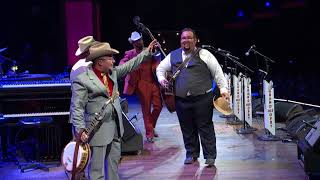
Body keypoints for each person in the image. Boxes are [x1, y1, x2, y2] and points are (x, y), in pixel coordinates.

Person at [70, 39, 158, 180]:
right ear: (100, 62)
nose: (113, 60)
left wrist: (147, 52)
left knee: (113, 166)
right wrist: (80, 129)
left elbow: (131, 65)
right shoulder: (82, 79)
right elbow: (77, 107)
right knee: (97, 170)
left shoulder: (112, 73)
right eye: (110, 58)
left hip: (115, 128)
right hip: (98, 130)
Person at [156, 28, 230, 167]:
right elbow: (160, 68)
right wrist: (161, 79)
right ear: (180, 41)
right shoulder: (173, 55)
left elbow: (217, 72)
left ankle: (210, 156)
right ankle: (191, 154)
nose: (186, 40)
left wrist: (223, 89)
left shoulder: (204, 54)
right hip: (181, 99)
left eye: (189, 38)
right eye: (183, 38)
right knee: (187, 128)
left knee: (205, 127)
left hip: (203, 98)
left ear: (195, 40)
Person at [119, 31, 163, 143]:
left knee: (158, 106)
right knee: (146, 109)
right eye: (136, 41)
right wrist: (121, 68)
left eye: (140, 40)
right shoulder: (130, 53)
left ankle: (151, 127)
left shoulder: (148, 49)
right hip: (141, 84)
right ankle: (149, 134)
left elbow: (157, 58)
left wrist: (157, 50)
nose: (139, 42)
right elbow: (122, 63)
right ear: (133, 43)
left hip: (153, 82)